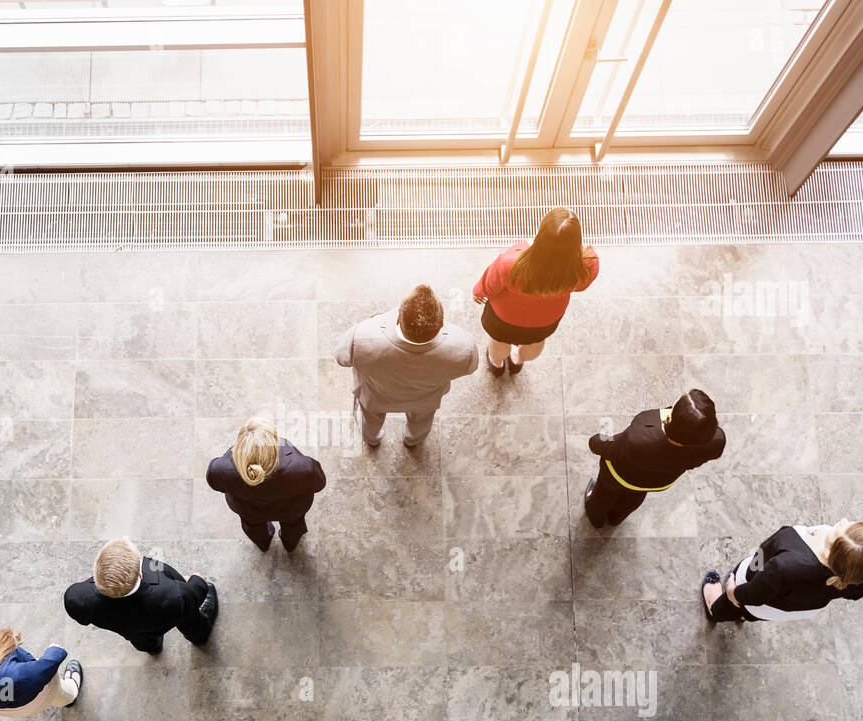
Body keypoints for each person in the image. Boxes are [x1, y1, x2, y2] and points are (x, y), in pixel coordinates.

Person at [334, 283, 477, 448]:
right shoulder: (463, 347)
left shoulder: (362, 336)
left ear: (397, 318)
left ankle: (372, 440)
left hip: (376, 398)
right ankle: (412, 441)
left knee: (370, 420)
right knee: (421, 422)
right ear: (441, 325)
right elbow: (470, 368)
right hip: (425, 400)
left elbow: (341, 357)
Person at [473, 207, 599, 375]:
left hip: (504, 317)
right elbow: (582, 286)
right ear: (576, 240)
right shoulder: (587, 264)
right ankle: (517, 361)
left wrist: (478, 292)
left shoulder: (511, 263)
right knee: (535, 342)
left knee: (499, 341)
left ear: (541, 236)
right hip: (545, 320)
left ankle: (496, 365)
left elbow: (490, 285)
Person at [584, 389, 726, 528]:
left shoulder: (640, 435)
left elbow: (610, 447)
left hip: (619, 474)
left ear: (672, 419)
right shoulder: (717, 441)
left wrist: (597, 440)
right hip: (656, 482)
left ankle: (596, 517)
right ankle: (616, 518)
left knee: (604, 496)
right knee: (634, 497)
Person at [702, 520, 863, 623]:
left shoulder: (786, 561)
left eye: (839, 527)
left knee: (735, 604)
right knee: (751, 613)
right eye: (849, 524)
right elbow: (854, 594)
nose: (843, 519)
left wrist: (733, 592)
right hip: (793, 607)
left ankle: (716, 610)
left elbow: (754, 592)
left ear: (828, 553)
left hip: (755, 593)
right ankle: (744, 616)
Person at [64, 536, 218, 655]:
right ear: (141, 574)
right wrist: (197, 580)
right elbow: (194, 594)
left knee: (143, 640)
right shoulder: (175, 596)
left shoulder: (77, 599)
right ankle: (199, 637)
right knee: (189, 618)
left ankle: (153, 649)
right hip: (169, 612)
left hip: (132, 631)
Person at [206, 418, 327, 552]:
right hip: (292, 510)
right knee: (293, 526)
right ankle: (290, 545)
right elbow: (320, 483)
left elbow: (216, 485)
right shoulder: (303, 467)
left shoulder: (218, 469)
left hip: (249, 511)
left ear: (240, 444)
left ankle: (263, 544)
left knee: (254, 528)